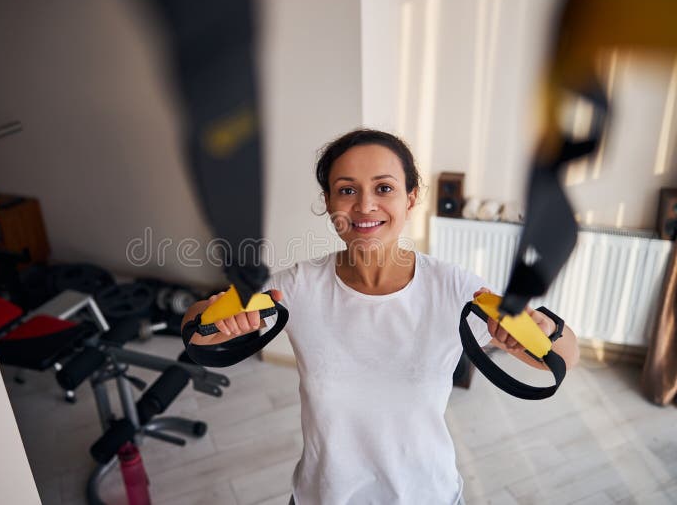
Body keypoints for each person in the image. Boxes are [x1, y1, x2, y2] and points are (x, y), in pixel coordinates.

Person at [182, 128, 580, 504]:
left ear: (411, 198)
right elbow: (195, 329)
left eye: (384, 188)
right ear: (328, 202)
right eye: (347, 190)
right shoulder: (299, 286)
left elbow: (566, 355)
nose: (365, 205)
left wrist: (543, 329)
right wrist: (216, 318)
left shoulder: (455, 288)